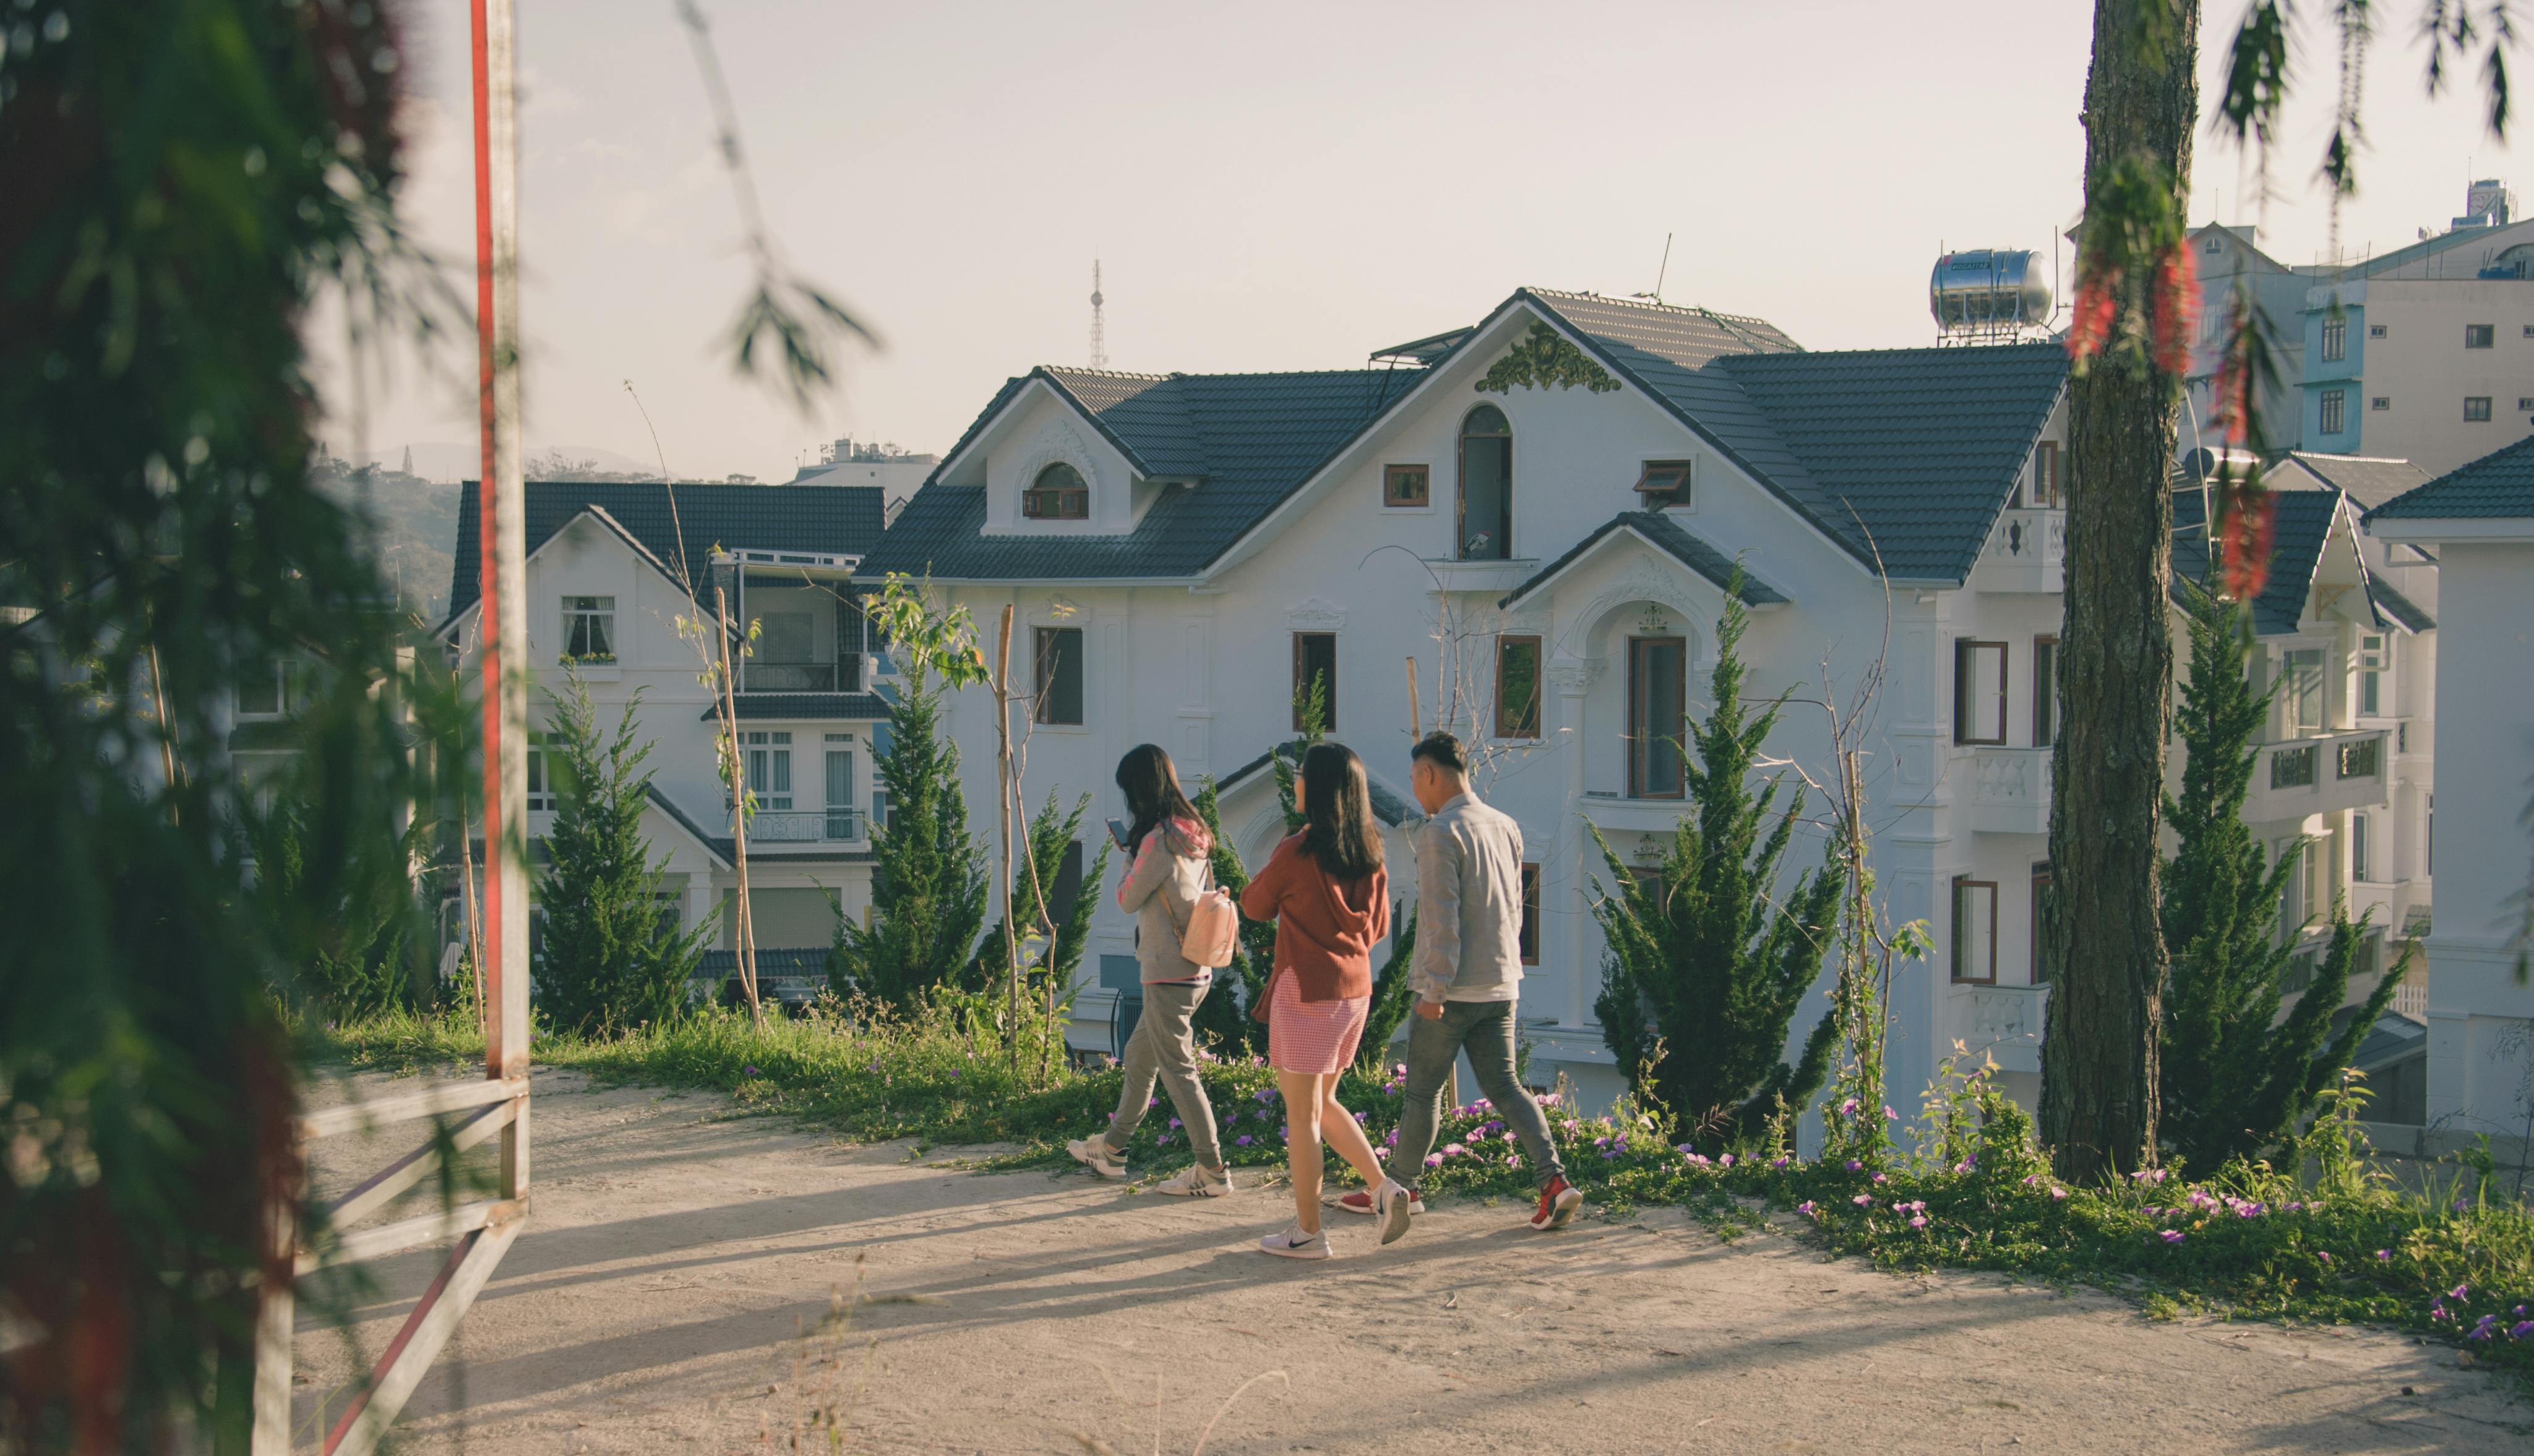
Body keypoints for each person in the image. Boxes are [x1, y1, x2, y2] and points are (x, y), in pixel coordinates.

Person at [1349, 730, 1579, 1231]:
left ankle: (1401, 1190)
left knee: (1422, 1093)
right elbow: (1515, 909)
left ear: (1430, 774)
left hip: (1451, 989)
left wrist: (1433, 988)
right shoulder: (1505, 826)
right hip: (1502, 982)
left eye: (1415, 778)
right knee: (1508, 1087)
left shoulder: (1439, 832)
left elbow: (1440, 918)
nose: (1415, 790)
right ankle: (1554, 1181)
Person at [1237, 742, 1415, 1257]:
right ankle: (1385, 1190)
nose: (1294, 784)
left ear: (1316, 789)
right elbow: (1379, 928)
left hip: (1307, 991)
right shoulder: (1372, 853)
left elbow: (1254, 906)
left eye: (1300, 776)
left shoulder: (1297, 851)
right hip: (1354, 993)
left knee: (1302, 1117)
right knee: (1325, 1102)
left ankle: (1309, 1232)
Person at [1067, 744, 1234, 1197]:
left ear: (1140, 790)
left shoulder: (1157, 841)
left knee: (1179, 1070)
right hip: (1196, 966)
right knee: (1140, 1059)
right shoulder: (1195, 831)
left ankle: (1213, 1169)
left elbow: (1127, 899)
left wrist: (1128, 855)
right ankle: (1114, 1151)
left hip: (1165, 970)